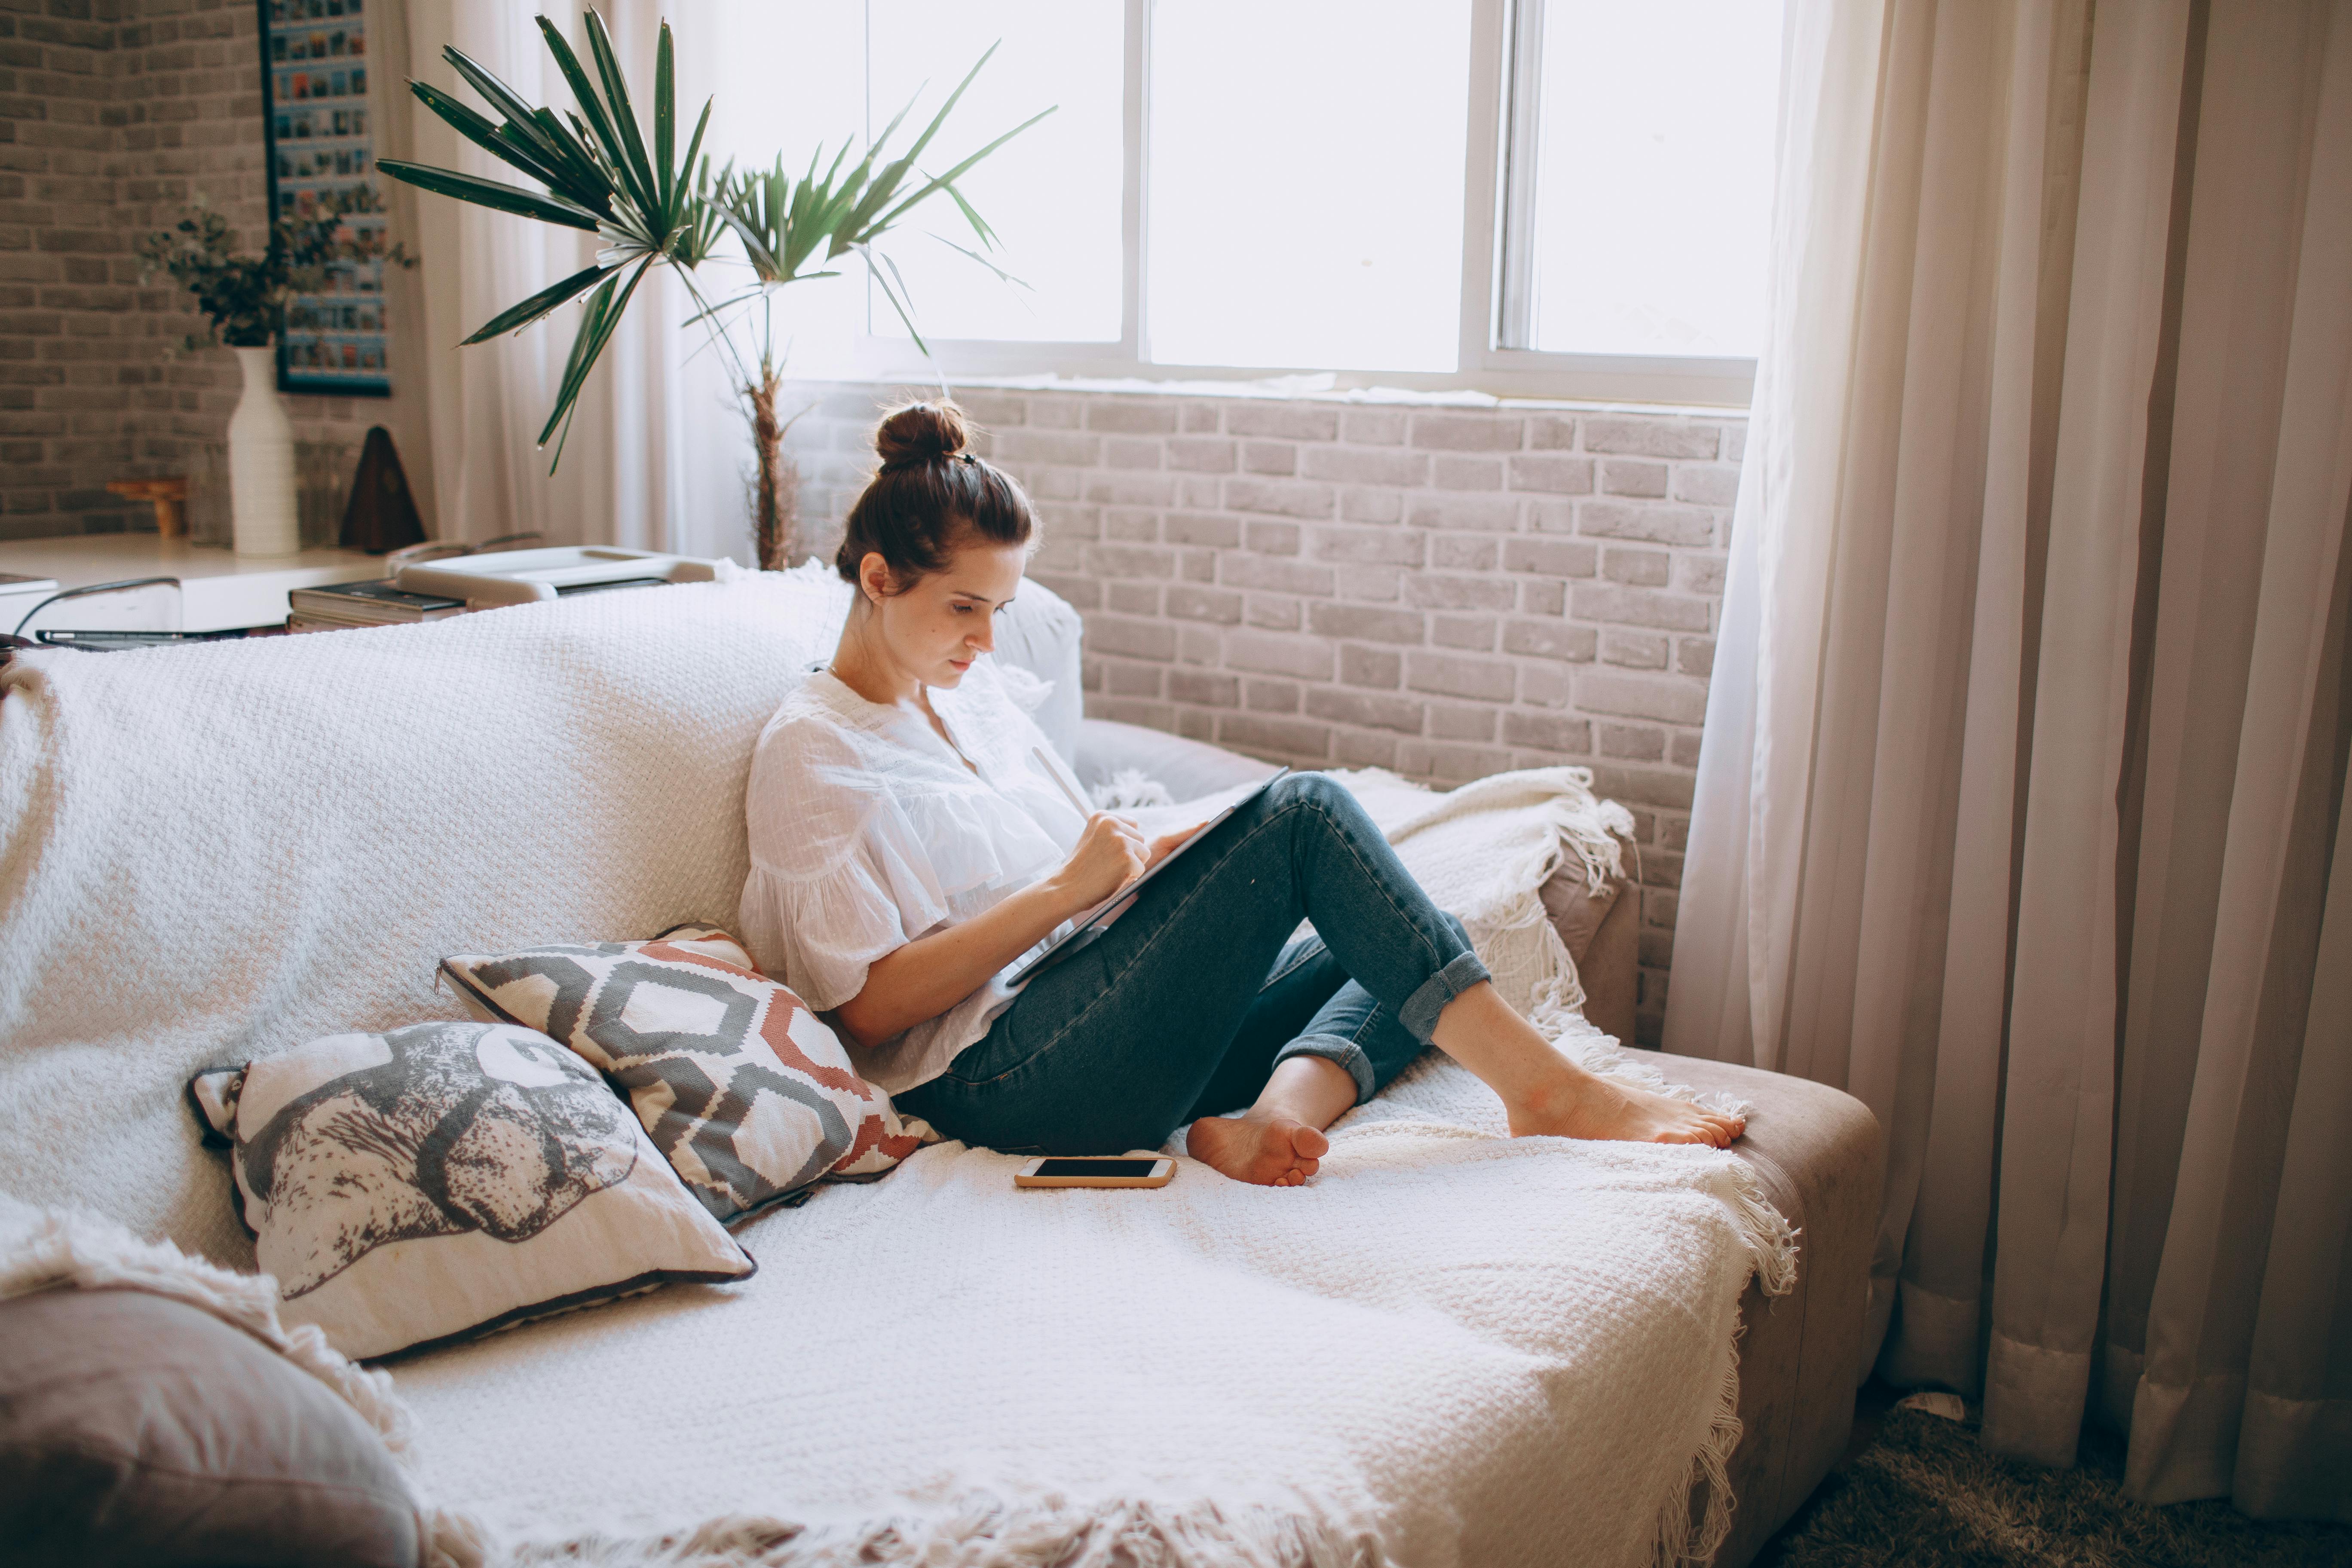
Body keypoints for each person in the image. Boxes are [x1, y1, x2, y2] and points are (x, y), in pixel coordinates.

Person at [739, 401, 1743, 1187]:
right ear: (877, 578)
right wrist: (1062, 894)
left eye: (1000, 610)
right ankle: (1547, 1090)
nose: (988, 640)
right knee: (1308, 815)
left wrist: (1149, 862)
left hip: (1095, 1009)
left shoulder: (973, 695)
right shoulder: (813, 751)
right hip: (996, 1080)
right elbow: (867, 1013)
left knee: (1420, 928)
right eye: (966, 608)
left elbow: (1080, 871)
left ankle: (1274, 1119)